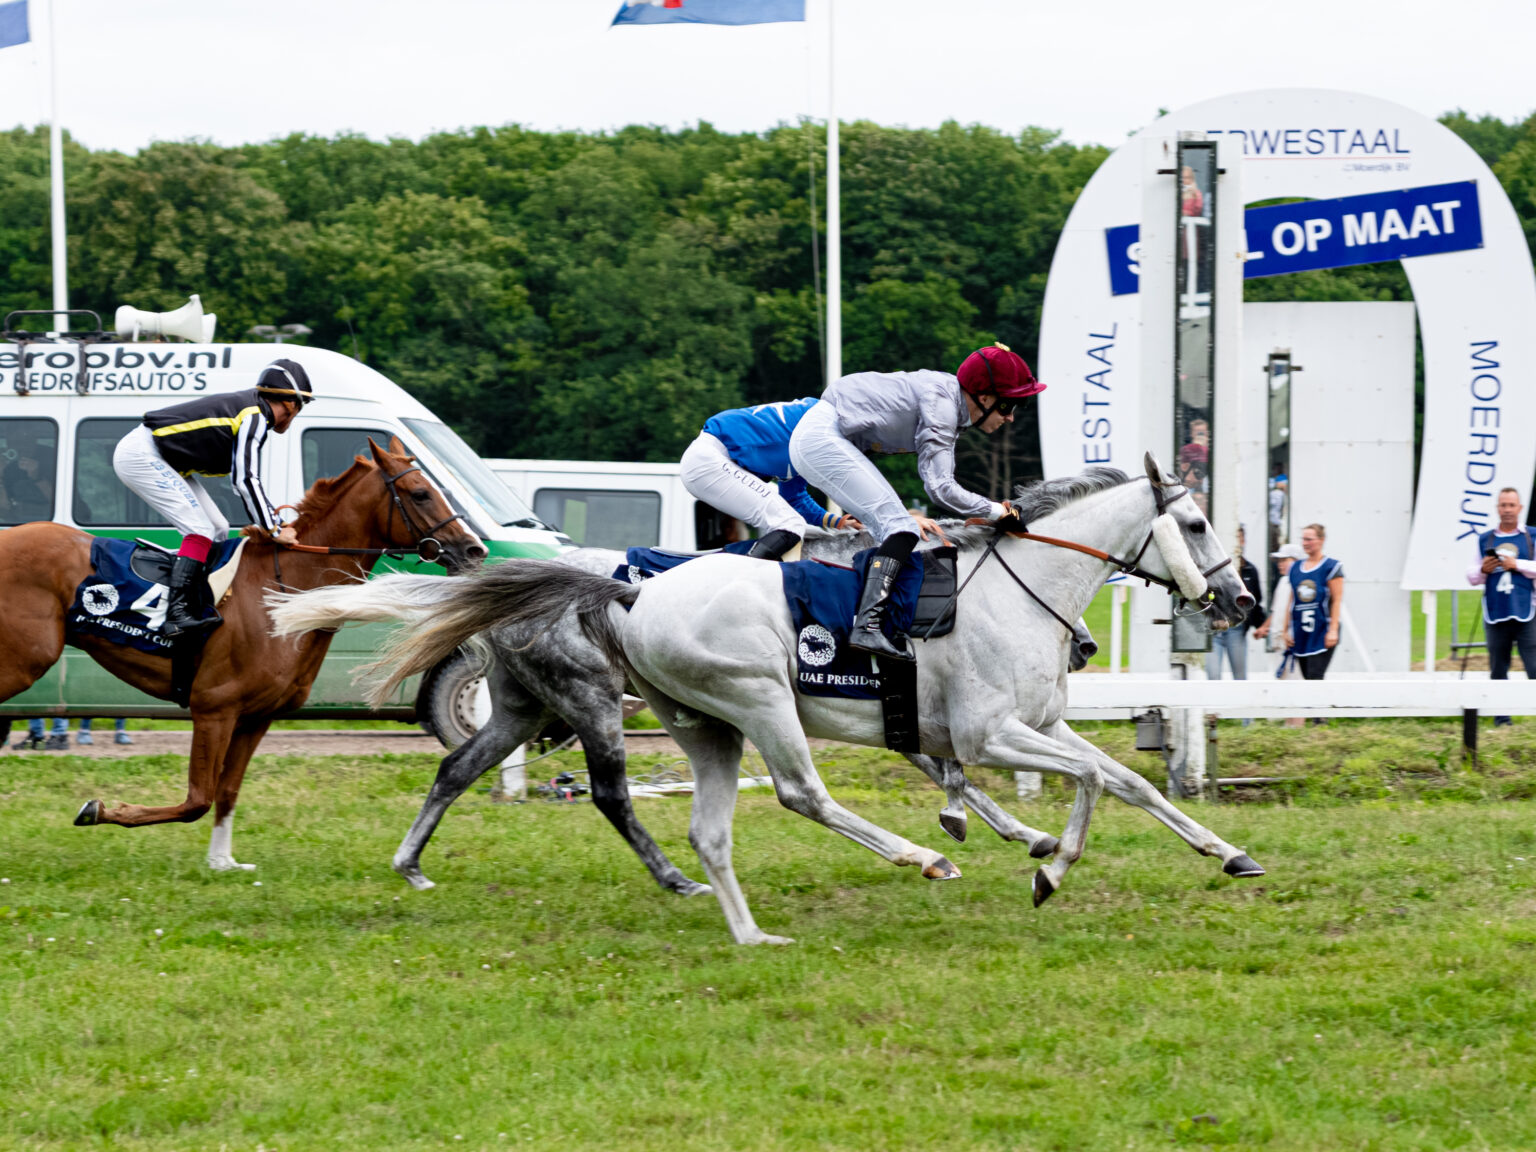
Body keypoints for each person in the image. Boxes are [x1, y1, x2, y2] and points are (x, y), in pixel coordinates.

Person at [788, 343, 1044, 661]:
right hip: (822, 438)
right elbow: (941, 489)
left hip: (820, 438)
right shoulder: (943, 406)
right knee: (901, 529)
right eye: (1008, 405)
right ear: (985, 397)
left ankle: (872, 623)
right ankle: (866, 627)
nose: (1010, 418)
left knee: (899, 531)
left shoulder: (948, 399)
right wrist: (998, 512)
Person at [112, 359, 312, 636]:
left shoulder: (254, 412)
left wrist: (271, 521)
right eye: (302, 406)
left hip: (162, 457)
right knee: (200, 530)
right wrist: (274, 528)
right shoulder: (254, 416)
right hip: (141, 454)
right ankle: (177, 615)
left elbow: (244, 480)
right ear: (291, 404)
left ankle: (198, 604)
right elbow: (245, 480)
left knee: (217, 528)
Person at [679, 399, 861, 562]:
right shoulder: (818, 429)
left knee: (801, 528)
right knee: (790, 525)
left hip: (709, 460)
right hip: (709, 459)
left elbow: (794, 499)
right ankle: (745, 582)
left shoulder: (809, 437)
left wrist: (837, 523)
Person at [1466, 486, 1536, 726]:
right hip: (1496, 610)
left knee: (1534, 665)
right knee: (1498, 665)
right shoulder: (1486, 539)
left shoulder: (1531, 536)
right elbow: (1472, 576)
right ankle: (1502, 720)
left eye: (1511, 505)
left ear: (1520, 508)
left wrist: (1518, 565)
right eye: (1503, 505)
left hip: (1526, 609)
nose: (1507, 510)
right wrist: (1482, 570)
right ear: (1497, 508)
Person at [1284, 523, 1343, 681]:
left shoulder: (1331, 567)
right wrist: (1286, 629)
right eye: (1303, 539)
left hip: (1321, 629)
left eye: (1309, 539)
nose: (1305, 543)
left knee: (1315, 676)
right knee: (1306, 677)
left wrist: (1333, 630)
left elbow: (1337, 600)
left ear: (1321, 540)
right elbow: (1291, 601)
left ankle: (1319, 705)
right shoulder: (1295, 567)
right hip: (1301, 629)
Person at [1207, 526, 1264, 681]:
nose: (1235, 543)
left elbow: (1255, 602)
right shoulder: (1213, 568)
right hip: (1214, 630)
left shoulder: (1250, 570)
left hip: (1236, 630)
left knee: (1240, 678)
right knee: (1213, 676)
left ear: (1243, 540)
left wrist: (1262, 626)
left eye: (1238, 538)